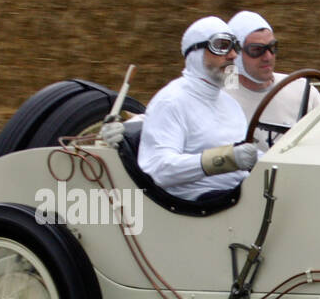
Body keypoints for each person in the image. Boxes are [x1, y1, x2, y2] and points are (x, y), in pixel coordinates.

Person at [104, 16, 258, 200]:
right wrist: (225, 159)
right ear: (196, 53)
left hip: (240, 196)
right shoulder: (171, 100)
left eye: (235, 46)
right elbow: (159, 169)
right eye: (222, 45)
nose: (233, 55)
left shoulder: (230, 104)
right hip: (201, 204)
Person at [225, 10, 320, 148]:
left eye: (272, 47)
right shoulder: (220, 99)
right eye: (256, 50)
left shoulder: (302, 91)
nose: (268, 57)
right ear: (237, 53)